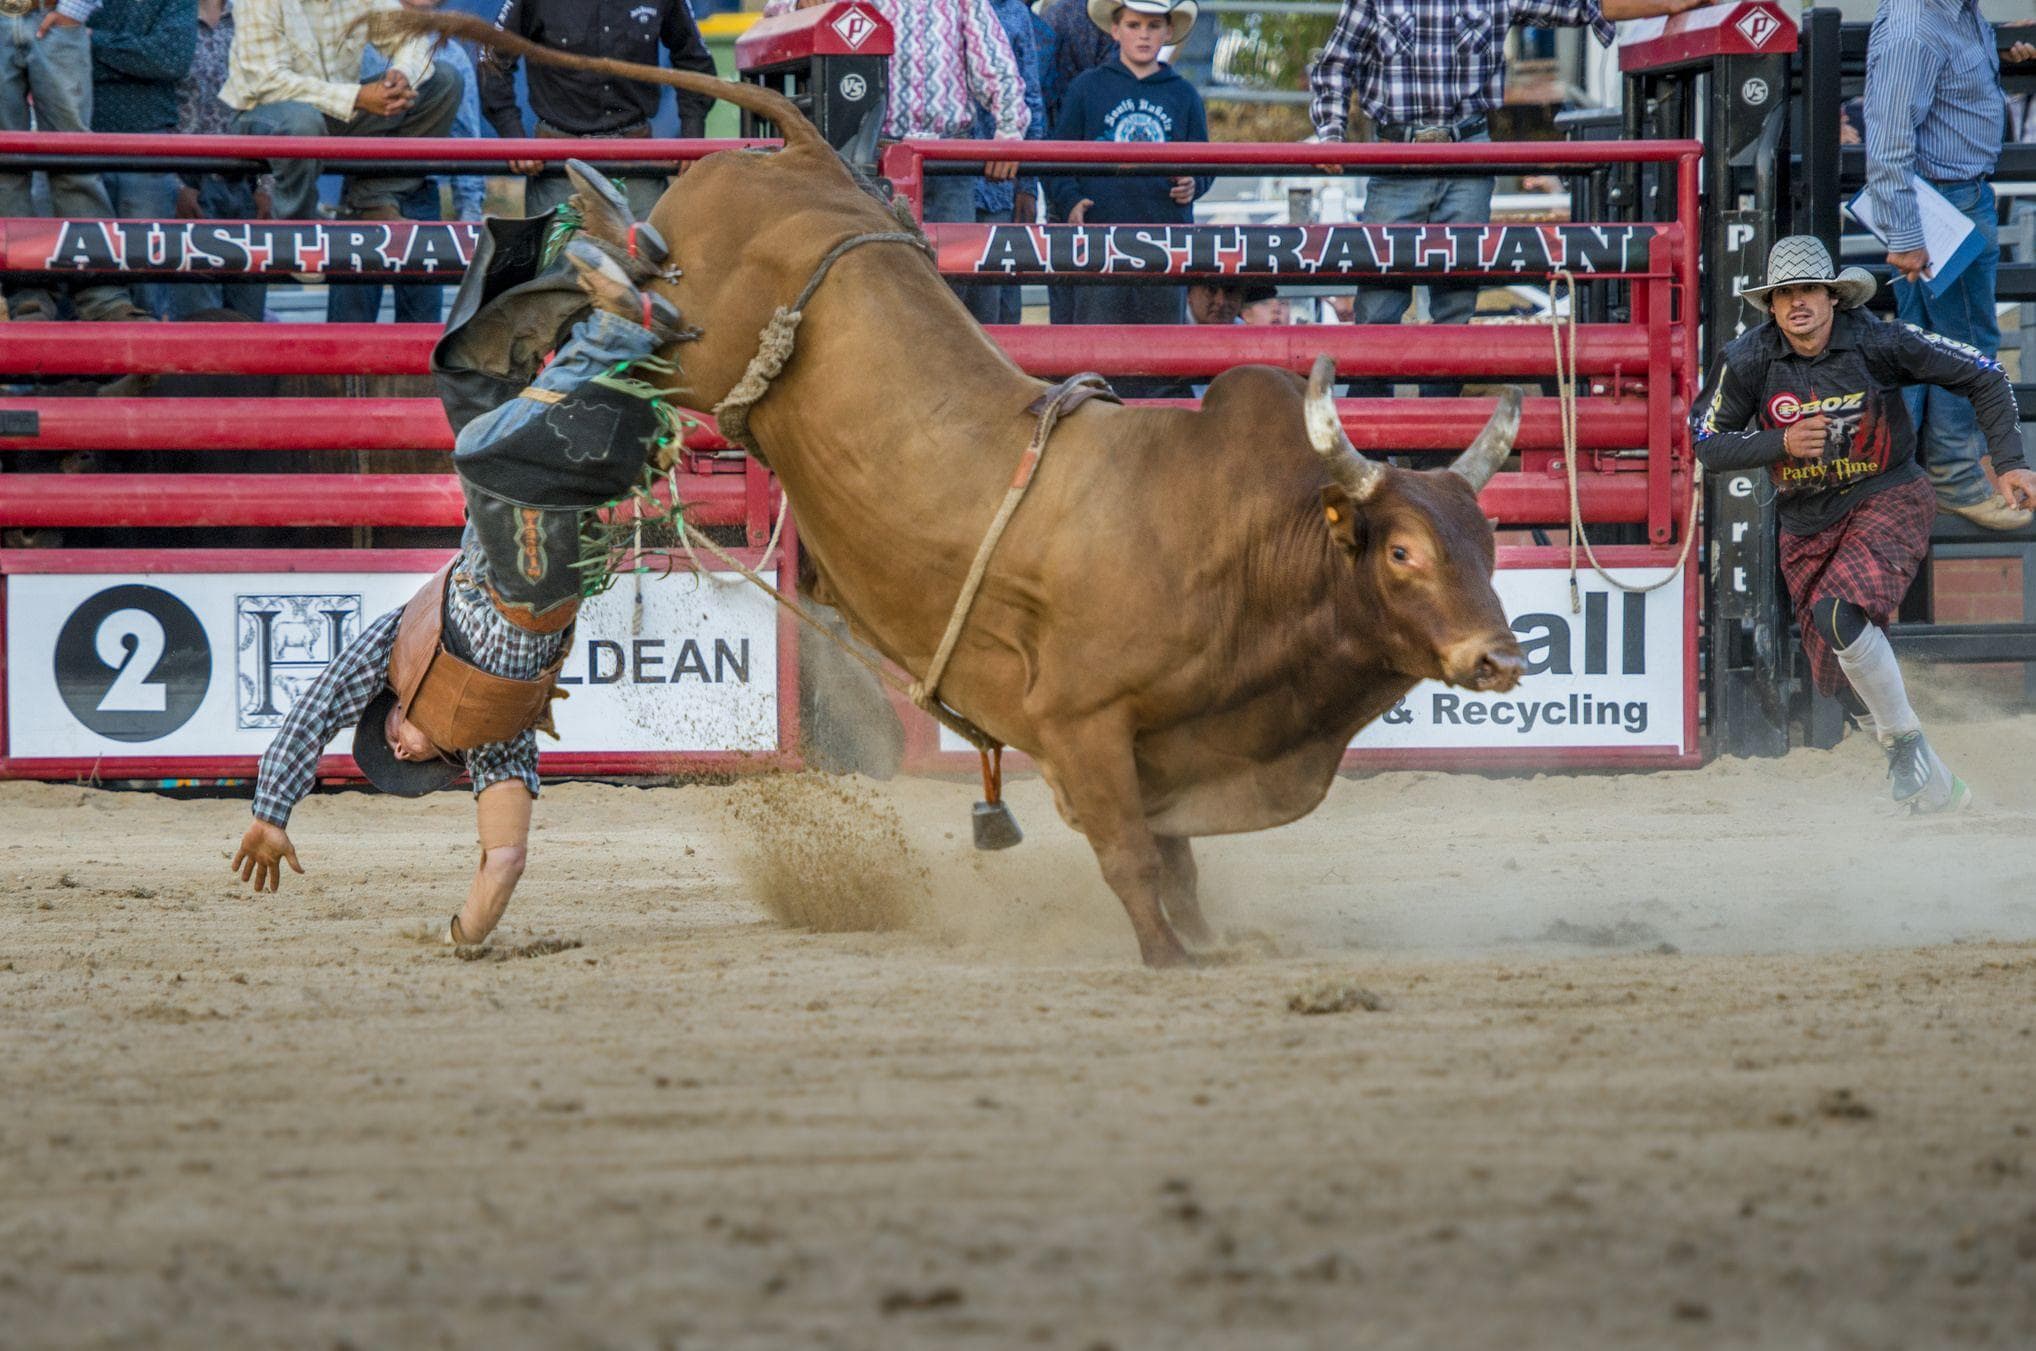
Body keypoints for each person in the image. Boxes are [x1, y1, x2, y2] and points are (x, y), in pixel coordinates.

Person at [233, 162, 694, 944]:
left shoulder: (399, 654)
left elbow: (313, 710)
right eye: (408, 756)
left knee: (468, 373)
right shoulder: (494, 740)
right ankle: (622, 326)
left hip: (526, 547)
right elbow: (505, 857)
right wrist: (462, 935)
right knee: (484, 449)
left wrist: (271, 810)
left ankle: (604, 271)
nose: (403, 747)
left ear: (393, 713)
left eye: (391, 742)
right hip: (532, 571)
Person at [1690, 237, 2036, 814]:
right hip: (1804, 522)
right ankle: (1939, 784)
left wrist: (2010, 462)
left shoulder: (1878, 340)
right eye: (1784, 294)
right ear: (1770, 306)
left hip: (1887, 494)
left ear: (1832, 296)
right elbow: (1705, 441)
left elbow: (1984, 372)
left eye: (1807, 290)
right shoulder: (1748, 359)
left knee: (1836, 613)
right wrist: (1779, 442)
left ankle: (1904, 747)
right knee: (1841, 677)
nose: (1797, 303)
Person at [1308, 0, 1708, 393]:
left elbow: (1583, 6)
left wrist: (1671, 3)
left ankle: (1433, 440)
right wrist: (1331, 134)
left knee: (1456, 301)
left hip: (1466, 153)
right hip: (1399, 155)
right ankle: (1366, 435)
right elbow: (1335, 64)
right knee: (1379, 299)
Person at [1863, 0, 2032, 531]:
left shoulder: (1953, 12)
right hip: (1942, 207)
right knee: (1966, 345)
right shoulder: (1917, 26)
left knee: (1922, 346)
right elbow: (1887, 142)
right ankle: (1954, 476)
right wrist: (1908, 236)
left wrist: (2005, 46)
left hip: (1953, 200)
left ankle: (1897, 482)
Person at [765, 0, 1030, 241]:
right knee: (878, 264)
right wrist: (800, 3)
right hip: (871, 158)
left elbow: (995, 62)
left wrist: (1009, 131)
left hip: (946, 161)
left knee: (951, 270)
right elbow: (775, 11)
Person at [1047, 0, 1208, 351]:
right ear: (1115, 30)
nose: (1144, 35)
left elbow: (1206, 162)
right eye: (1134, 25)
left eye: (1153, 26)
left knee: (1163, 348)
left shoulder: (1184, 94)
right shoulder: (1086, 89)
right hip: (1100, 240)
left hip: (1165, 243)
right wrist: (1070, 199)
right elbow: (1056, 157)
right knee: (1097, 343)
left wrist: (1194, 183)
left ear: (1167, 33)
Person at [219, 0, 461, 224]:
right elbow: (267, 82)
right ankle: (296, 229)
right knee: (303, 122)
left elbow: (410, 34)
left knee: (443, 81)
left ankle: (373, 202)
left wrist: (403, 75)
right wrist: (357, 97)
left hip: (335, 113)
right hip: (262, 114)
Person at [480, 0, 716, 222]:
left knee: (652, 258)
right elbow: (491, 61)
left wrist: (692, 137)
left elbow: (695, 60)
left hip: (636, 159)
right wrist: (514, 138)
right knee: (559, 262)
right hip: (558, 163)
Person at [328, 0, 486, 324]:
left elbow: (465, 137)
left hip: (418, 191)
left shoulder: (452, 54)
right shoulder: (358, 44)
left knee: (422, 320)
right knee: (350, 321)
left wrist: (469, 215)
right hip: (363, 189)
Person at [1, 0, 152, 321]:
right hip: (46, 17)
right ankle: (28, 294)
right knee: (7, 167)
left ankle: (102, 296)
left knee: (74, 157)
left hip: (52, 14)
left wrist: (75, 8)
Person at [89, 0, 197, 319]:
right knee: (77, 264)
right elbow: (59, 52)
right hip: (77, 142)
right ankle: (78, 366)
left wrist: (93, 40)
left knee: (146, 272)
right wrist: (136, 55)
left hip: (145, 145)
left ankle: (144, 365)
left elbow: (171, 59)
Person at [167, 0, 265, 320]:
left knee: (248, 317)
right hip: (189, 184)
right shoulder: (171, 15)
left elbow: (273, 102)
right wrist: (174, 185)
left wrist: (269, 184)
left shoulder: (256, 18)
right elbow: (152, 100)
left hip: (248, 182)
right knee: (198, 318)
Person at [966, 0, 1048, 325]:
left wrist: (1027, 184)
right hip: (942, 175)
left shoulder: (1013, 11)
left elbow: (1030, 95)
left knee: (996, 298)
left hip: (999, 179)